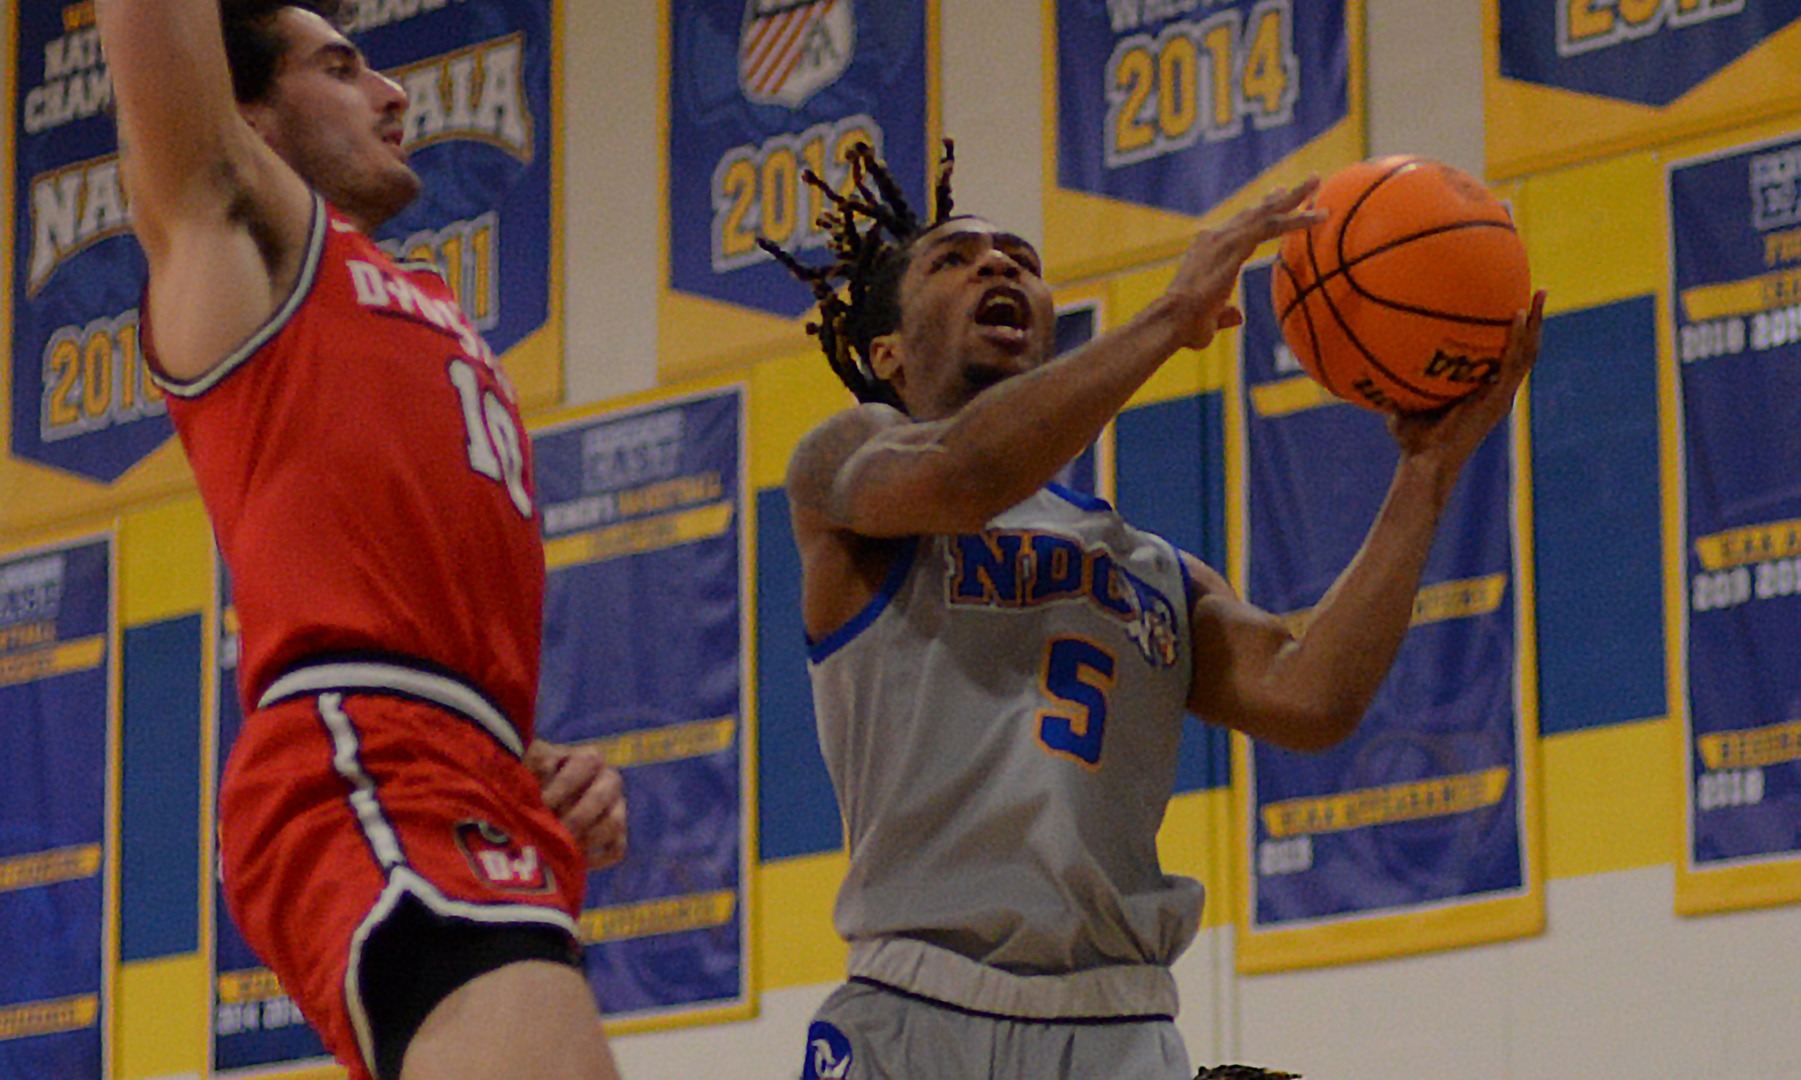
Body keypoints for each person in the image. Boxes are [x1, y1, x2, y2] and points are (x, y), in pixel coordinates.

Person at [765, 143, 1545, 1080]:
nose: (1000, 265)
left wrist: (1428, 472)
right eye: (954, 260)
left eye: (1019, 257)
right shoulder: (846, 466)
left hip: (1116, 1020)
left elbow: (1313, 699)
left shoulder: (1151, 569)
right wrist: (1174, 317)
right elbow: (962, 476)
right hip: (914, 1008)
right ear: (886, 351)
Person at [98, 3, 627, 1078]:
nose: (394, 97)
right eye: (340, 69)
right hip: (360, 748)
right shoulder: (237, 245)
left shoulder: (415, 303)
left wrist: (534, 766)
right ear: (247, 116)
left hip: (464, 765)